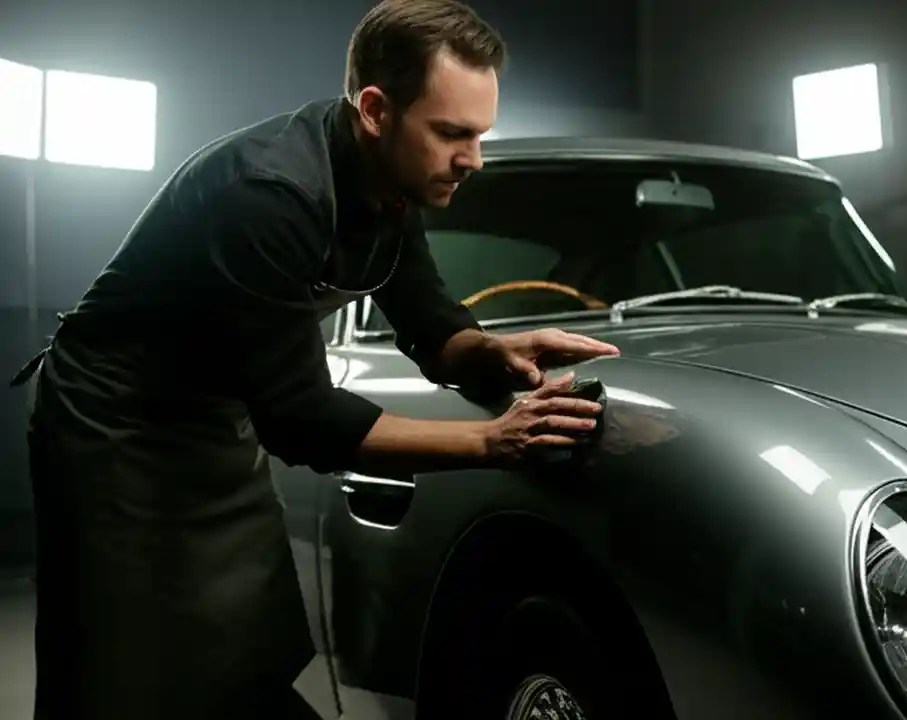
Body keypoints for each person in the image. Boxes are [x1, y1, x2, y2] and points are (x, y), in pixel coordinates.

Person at [8, 1, 620, 717]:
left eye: (481, 134)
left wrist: (492, 352)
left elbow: (428, 322)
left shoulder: (392, 179)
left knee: (242, 647)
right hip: (113, 424)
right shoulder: (267, 194)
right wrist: (491, 440)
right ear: (374, 109)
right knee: (123, 672)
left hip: (216, 411)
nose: (473, 159)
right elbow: (301, 421)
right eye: (453, 133)